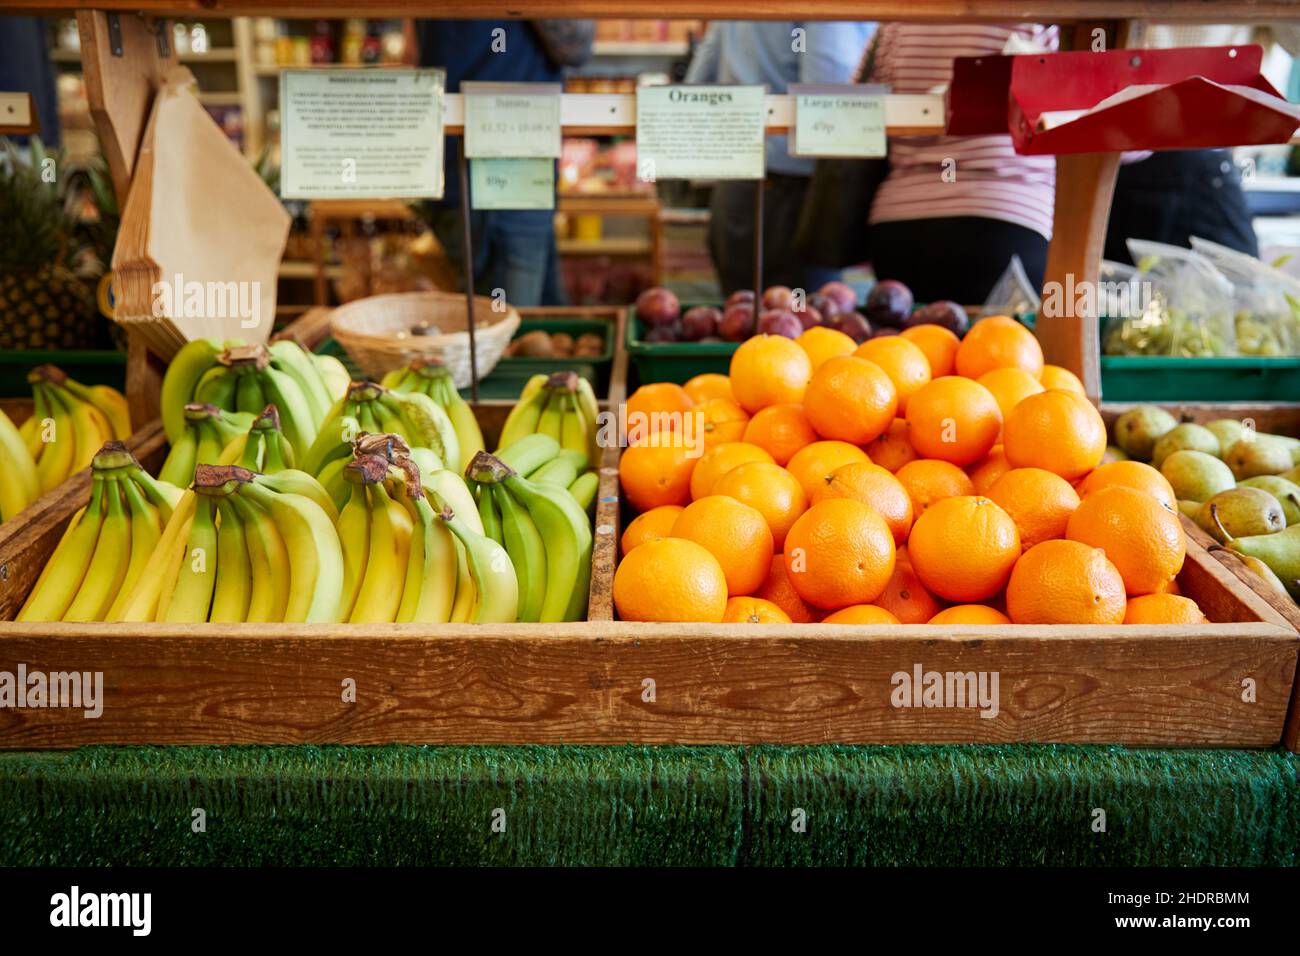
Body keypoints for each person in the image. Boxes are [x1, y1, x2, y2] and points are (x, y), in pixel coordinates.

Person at [861, 23, 1058, 304]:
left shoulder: (900, 20)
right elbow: (1109, 134)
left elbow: (864, 107)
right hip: (1006, 219)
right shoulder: (1038, 17)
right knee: (1005, 346)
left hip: (899, 229)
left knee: (912, 346)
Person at [685, 21, 875, 295]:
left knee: (742, 322)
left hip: (737, 187)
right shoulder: (827, 12)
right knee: (804, 326)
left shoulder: (732, 13)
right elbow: (830, 101)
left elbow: (697, 85)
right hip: (796, 194)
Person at [414, 20, 593, 306]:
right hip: (504, 174)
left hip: (477, 168)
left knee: (542, 321)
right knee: (504, 332)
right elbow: (577, 45)